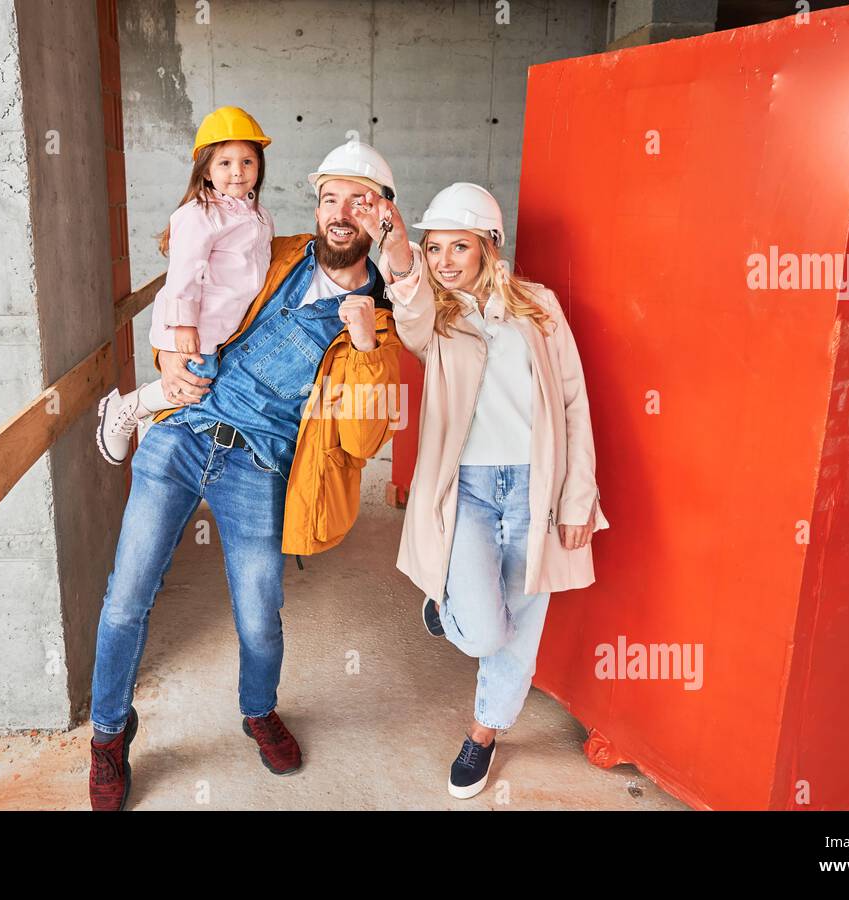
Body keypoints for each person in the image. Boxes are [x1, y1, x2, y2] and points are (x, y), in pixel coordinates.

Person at [87, 139, 433, 811]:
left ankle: (257, 710)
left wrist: (365, 346)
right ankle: (108, 734)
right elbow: (195, 284)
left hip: (259, 463)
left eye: (358, 203)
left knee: (259, 617)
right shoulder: (275, 251)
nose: (340, 214)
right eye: (329, 198)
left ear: (382, 215)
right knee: (127, 596)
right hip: (183, 433)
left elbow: (363, 439)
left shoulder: (384, 318)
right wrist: (167, 359)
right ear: (316, 206)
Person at [385, 182, 609, 799]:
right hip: (469, 492)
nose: (444, 261)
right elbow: (409, 310)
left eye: (458, 246)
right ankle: (445, 607)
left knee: (523, 628)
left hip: (536, 490)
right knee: (486, 631)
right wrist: (400, 251)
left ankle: (483, 735)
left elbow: (574, 402)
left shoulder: (539, 307)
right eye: (434, 248)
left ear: (489, 245)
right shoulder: (435, 315)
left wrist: (577, 499)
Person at [96, 106, 275, 463]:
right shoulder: (200, 214)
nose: (237, 171)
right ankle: (130, 408)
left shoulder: (259, 216)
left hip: (224, 326)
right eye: (225, 163)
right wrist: (184, 324)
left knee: (204, 386)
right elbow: (184, 273)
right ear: (206, 170)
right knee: (192, 385)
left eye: (247, 162)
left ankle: (159, 422)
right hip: (196, 327)